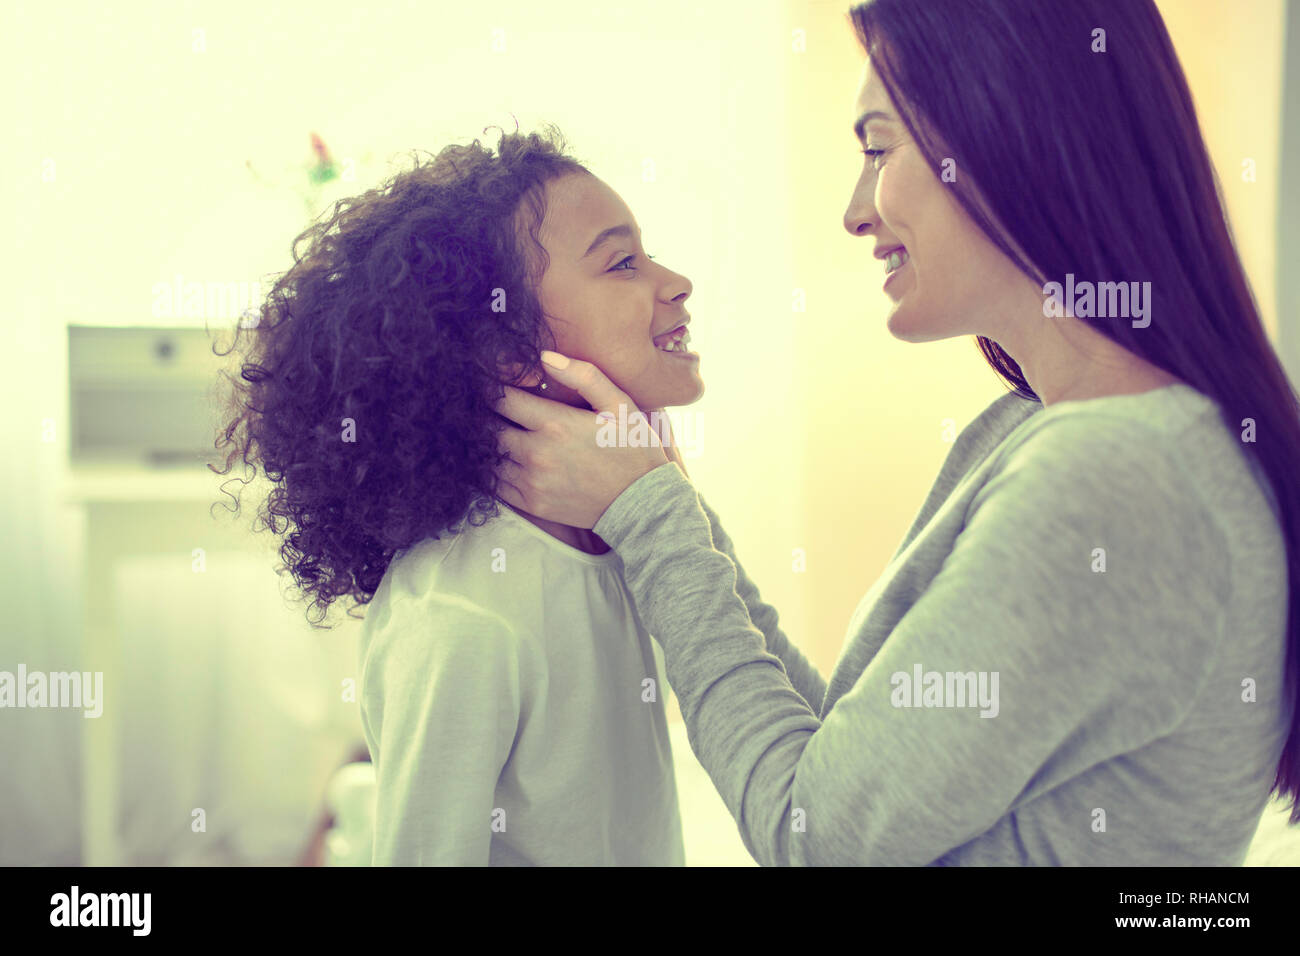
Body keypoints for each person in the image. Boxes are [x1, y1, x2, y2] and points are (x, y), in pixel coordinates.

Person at [492, 0, 1300, 865]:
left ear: (1007, 134)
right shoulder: (1036, 431)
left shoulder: (1113, 479)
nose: (854, 210)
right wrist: (661, 499)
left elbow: (816, 839)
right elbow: (843, 765)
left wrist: (653, 518)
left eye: (878, 147)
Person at [214, 124, 705, 865]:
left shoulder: (635, 537)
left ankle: (353, 804)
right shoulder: (459, 617)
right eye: (622, 263)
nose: (675, 282)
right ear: (512, 353)